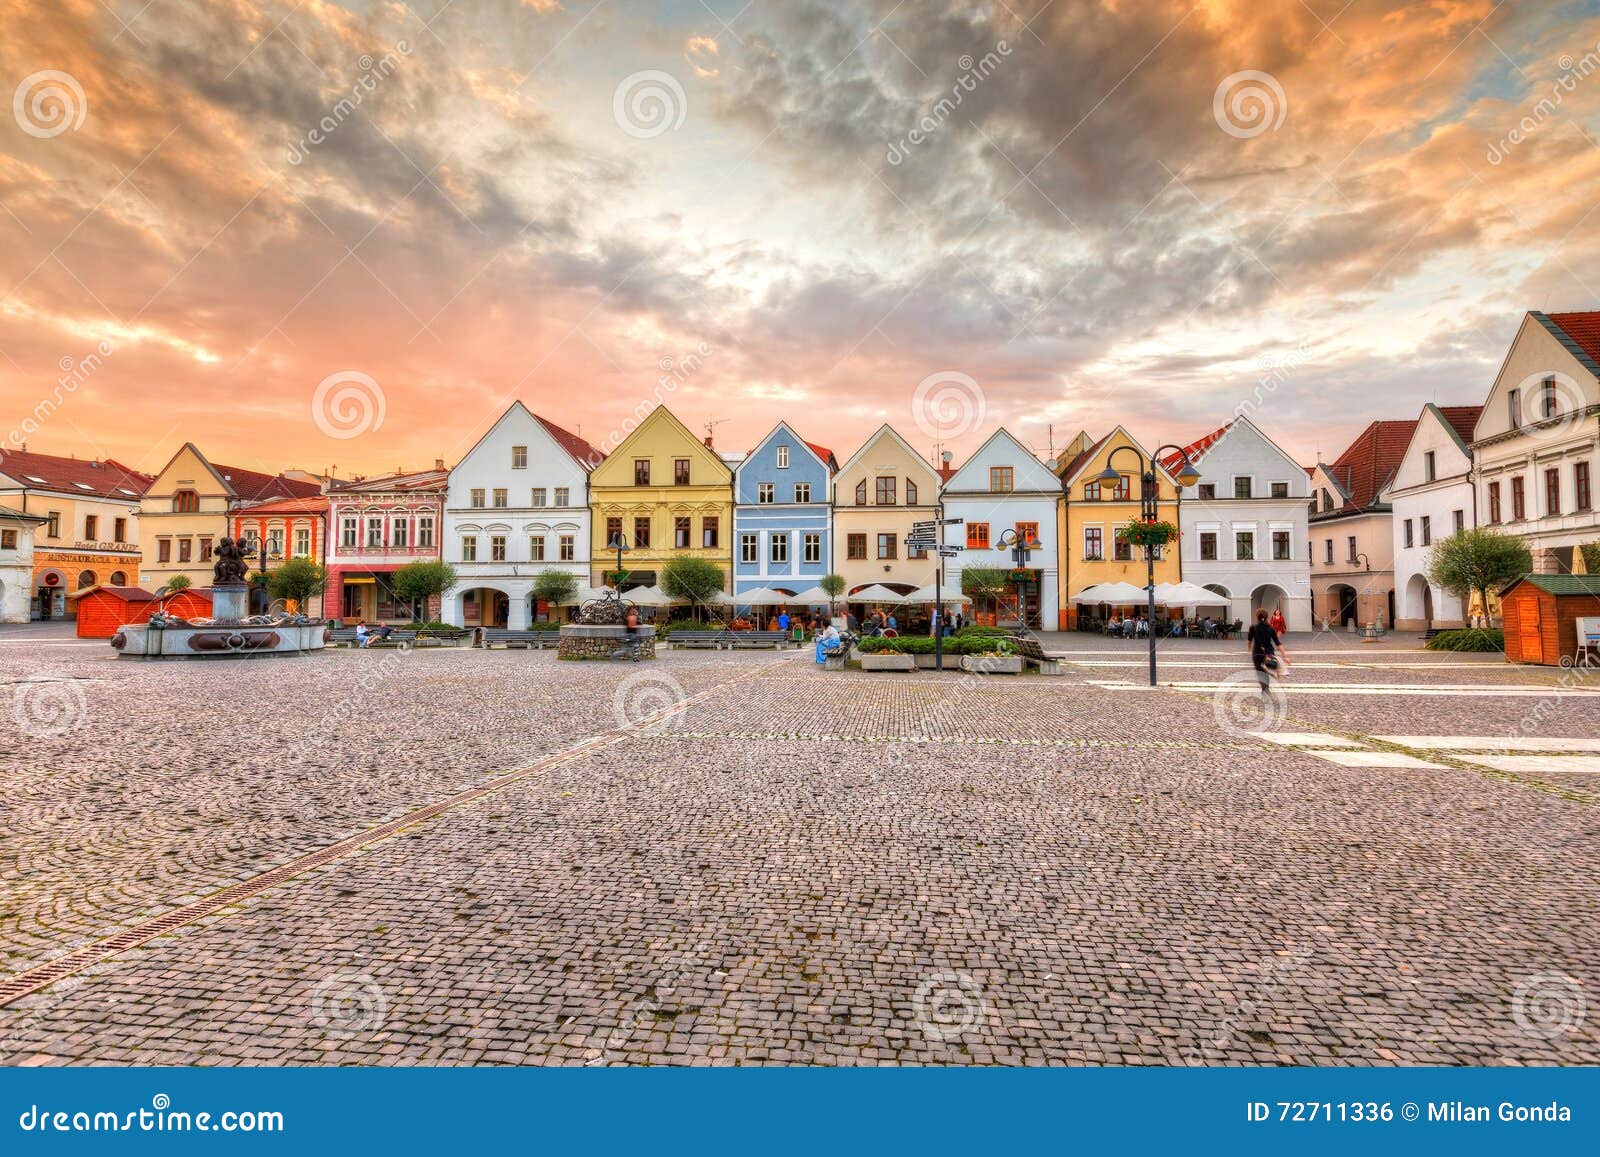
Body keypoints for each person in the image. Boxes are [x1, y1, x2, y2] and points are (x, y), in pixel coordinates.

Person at [1246, 607, 1289, 694]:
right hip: (1269, 653)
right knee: (1267, 670)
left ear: (1257, 616)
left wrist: (1249, 648)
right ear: (1267, 617)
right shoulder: (1271, 628)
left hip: (1257, 653)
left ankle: (1265, 688)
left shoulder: (1253, 627)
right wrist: (1285, 657)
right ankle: (1266, 688)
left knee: (1260, 672)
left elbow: (1249, 641)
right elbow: (1278, 643)